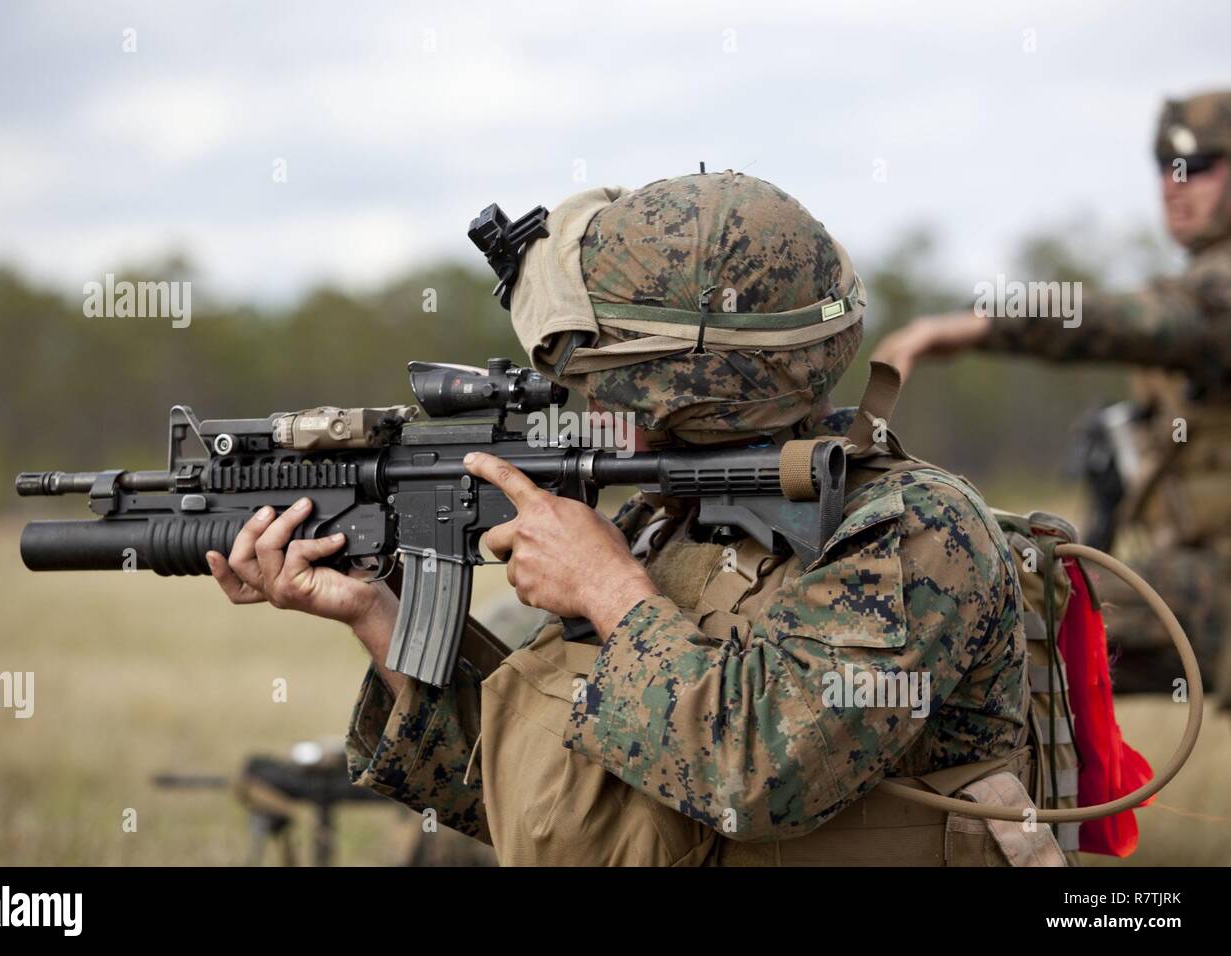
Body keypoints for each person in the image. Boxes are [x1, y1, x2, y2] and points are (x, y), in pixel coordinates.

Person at [207, 171, 1059, 866]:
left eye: (604, 360)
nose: (586, 390)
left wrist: (609, 589)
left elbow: (758, 775)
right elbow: (530, 799)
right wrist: (378, 618)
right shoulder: (671, 520)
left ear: (693, 383)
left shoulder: (915, 531)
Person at [873, 90, 1231, 698]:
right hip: (1204, 583)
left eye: (1199, 168)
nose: (1175, 185)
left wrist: (976, 323)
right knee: (1034, 651)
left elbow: (1125, 321)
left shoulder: (1213, 291)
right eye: (1165, 168)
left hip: (1215, 588)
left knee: (1005, 601)